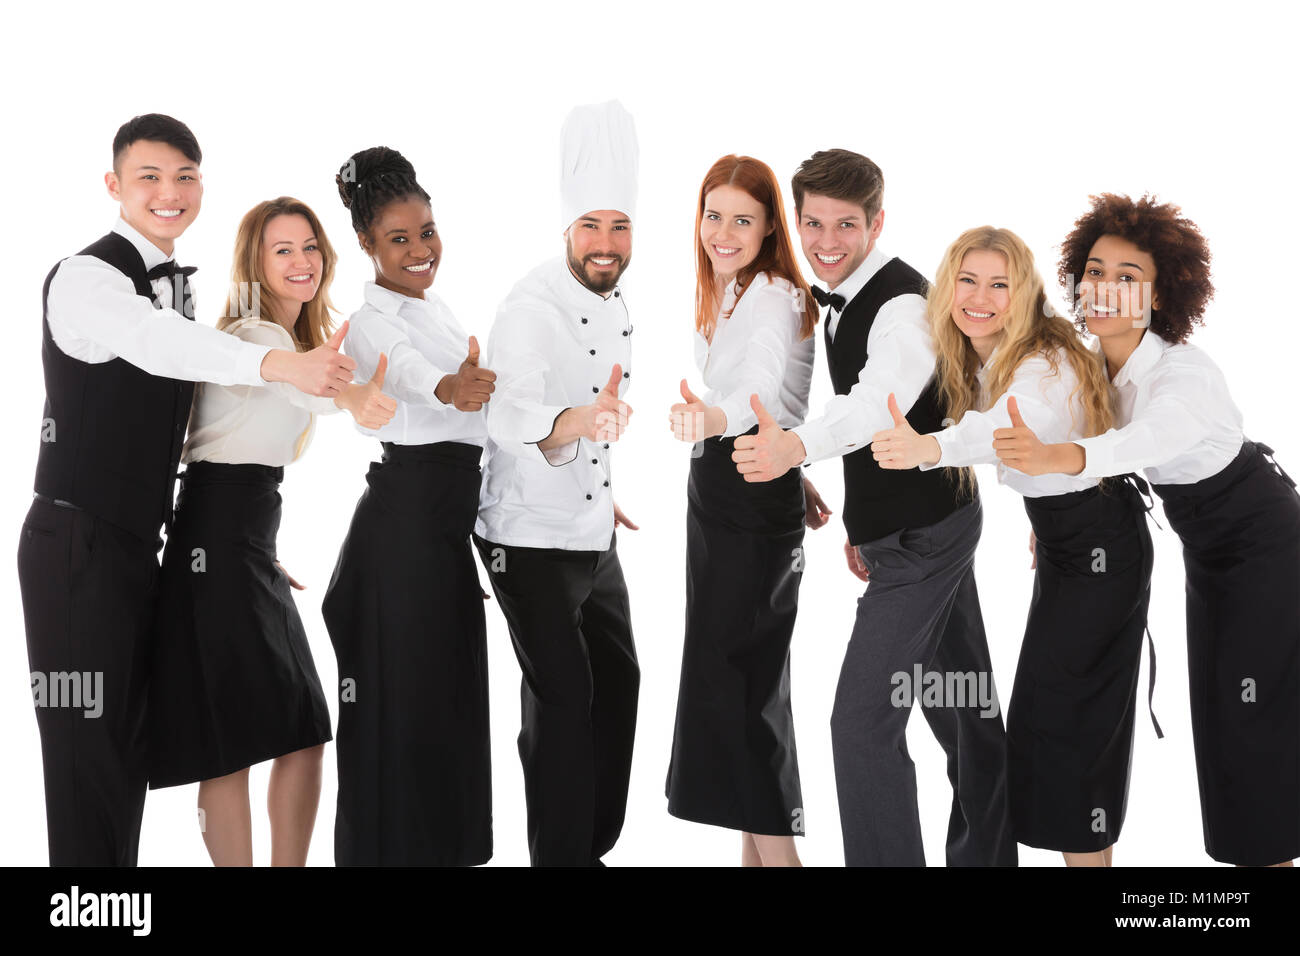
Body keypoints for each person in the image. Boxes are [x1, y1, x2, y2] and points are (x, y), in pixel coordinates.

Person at [18, 113, 355, 866]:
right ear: (115, 186)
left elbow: (191, 436)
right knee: (85, 744)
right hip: (76, 542)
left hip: (147, 545)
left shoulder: (175, 293)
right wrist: (282, 366)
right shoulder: (87, 277)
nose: (169, 193)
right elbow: (156, 344)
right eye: (149, 177)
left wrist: (235, 545)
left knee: (127, 748)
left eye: (185, 177)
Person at [992, 194, 1299, 867]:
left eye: (1128, 277)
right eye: (1094, 270)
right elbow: (1073, 437)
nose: (1104, 288)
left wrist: (1062, 460)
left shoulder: (1184, 374)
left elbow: (1144, 442)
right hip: (1206, 551)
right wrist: (1055, 505)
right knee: (1222, 717)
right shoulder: (1089, 360)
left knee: (1248, 722)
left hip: (1266, 548)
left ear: (1161, 295)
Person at [731, 149, 1016, 867]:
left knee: (860, 726)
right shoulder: (839, 295)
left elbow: (870, 408)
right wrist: (865, 524)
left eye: (847, 226)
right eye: (814, 224)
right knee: (965, 712)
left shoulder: (903, 306)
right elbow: (871, 421)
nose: (827, 242)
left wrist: (794, 449)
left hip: (928, 535)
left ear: (877, 222)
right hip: (911, 529)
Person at [870, 225, 1157, 866]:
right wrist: (1049, 506)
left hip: (1099, 548)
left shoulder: (1040, 359)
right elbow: (1050, 445)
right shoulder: (984, 353)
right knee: (1051, 722)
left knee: (1070, 728)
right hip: (1067, 539)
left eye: (1000, 284)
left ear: (1023, 294)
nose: (981, 297)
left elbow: (1008, 425)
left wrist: (930, 450)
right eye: (968, 281)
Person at [148, 198, 395, 866]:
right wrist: (348, 394)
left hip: (239, 543)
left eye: (309, 246)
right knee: (248, 737)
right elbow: (310, 392)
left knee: (291, 730)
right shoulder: (257, 337)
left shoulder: (282, 341)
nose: (300, 261)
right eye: (282, 249)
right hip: (222, 546)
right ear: (256, 263)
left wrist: (253, 547)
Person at [473, 100, 640, 867]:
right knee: (562, 701)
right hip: (526, 538)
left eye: (619, 227)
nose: (605, 246)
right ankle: (561, 857)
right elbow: (508, 415)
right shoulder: (530, 309)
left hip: (591, 531)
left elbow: (595, 417)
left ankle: (588, 846)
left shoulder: (614, 297)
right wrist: (581, 423)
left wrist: (603, 489)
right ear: (566, 230)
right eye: (591, 229)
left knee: (621, 681)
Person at [322, 146, 498, 866]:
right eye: (399, 239)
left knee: (445, 711)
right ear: (366, 244)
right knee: (406, 717)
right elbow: (417, 372)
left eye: (426, 231)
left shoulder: (437, 305)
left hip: (441, 535)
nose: (421, 249)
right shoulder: (372, 320)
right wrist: (450, 389)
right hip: (403, 540)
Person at [663, 154, 827, 866]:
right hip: (740, 485)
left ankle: (783, 862)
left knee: (738, 688)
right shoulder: (732, 288)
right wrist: (798, 469)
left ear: (769, 227)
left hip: (745, 488)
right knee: (740, 684)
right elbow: (779, 408)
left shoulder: (769, 296)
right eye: (712, 214)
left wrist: (714, 419)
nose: (722, 232)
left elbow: (759, 386)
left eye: (742, 219)